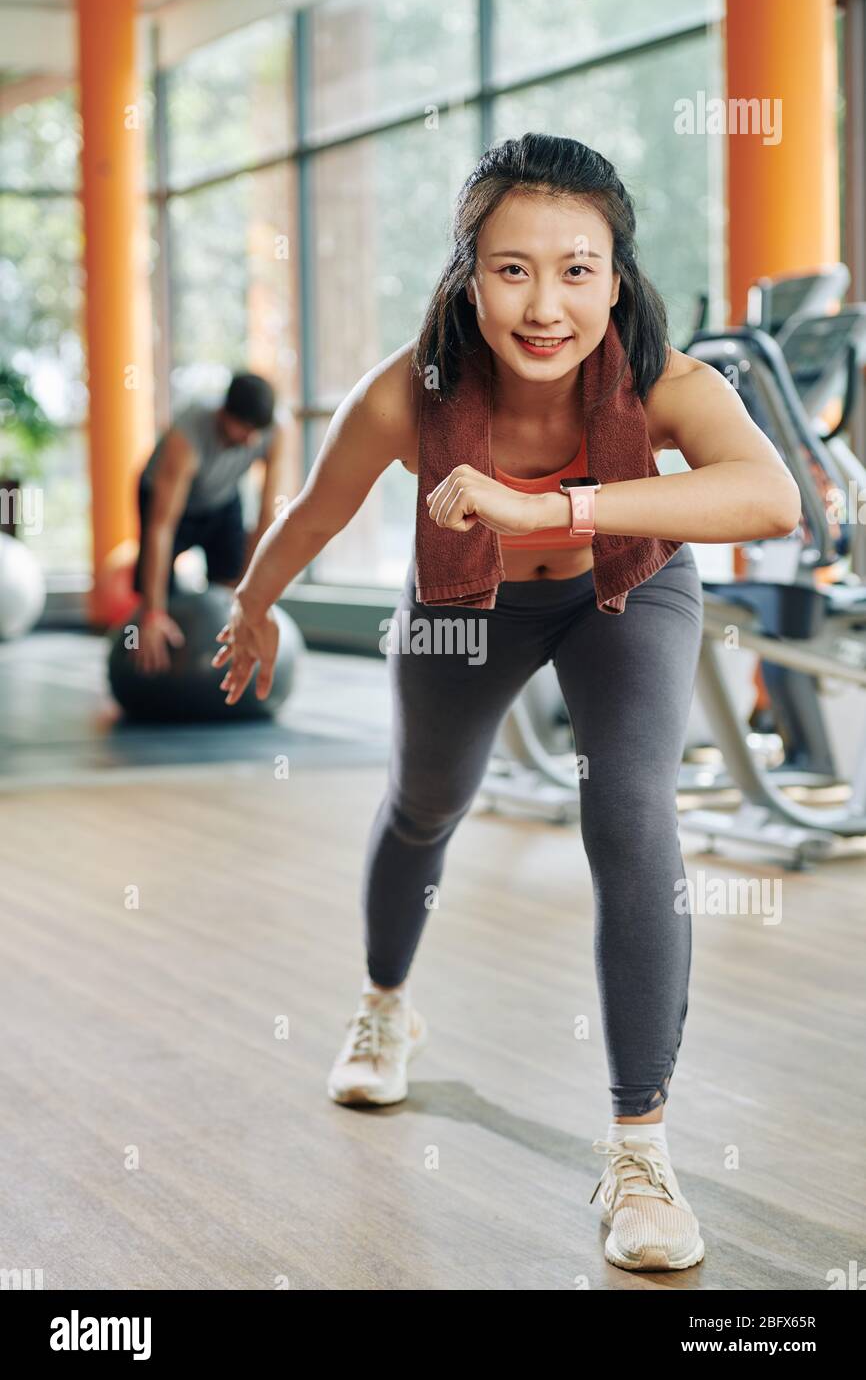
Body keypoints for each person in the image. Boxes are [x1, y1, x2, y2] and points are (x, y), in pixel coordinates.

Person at [208, 134, 801, 1272]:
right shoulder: (405, 394)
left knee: (629, 814)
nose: (544, 305)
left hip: (624, 589)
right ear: (465, 277)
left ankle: (640, 1149)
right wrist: (252, 605)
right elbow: (316, 514)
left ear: (615, 277)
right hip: (460, 606)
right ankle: (384, 1001)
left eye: (576, 269)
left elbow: (770, 496)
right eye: (510, 269)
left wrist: (557, 511)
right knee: (428, 800)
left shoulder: (668, 380)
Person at [132, 371, 291, 674]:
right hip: (164, 500)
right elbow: (161, 527)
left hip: (221, 498)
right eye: (244, 428)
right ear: (223, 413)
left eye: (258, 430)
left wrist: (252, 598)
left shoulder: (275, 431)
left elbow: (267, 516)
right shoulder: (187, 436)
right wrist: (152, 612)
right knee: (157, 595)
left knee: (230, 581)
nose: (252, 440)